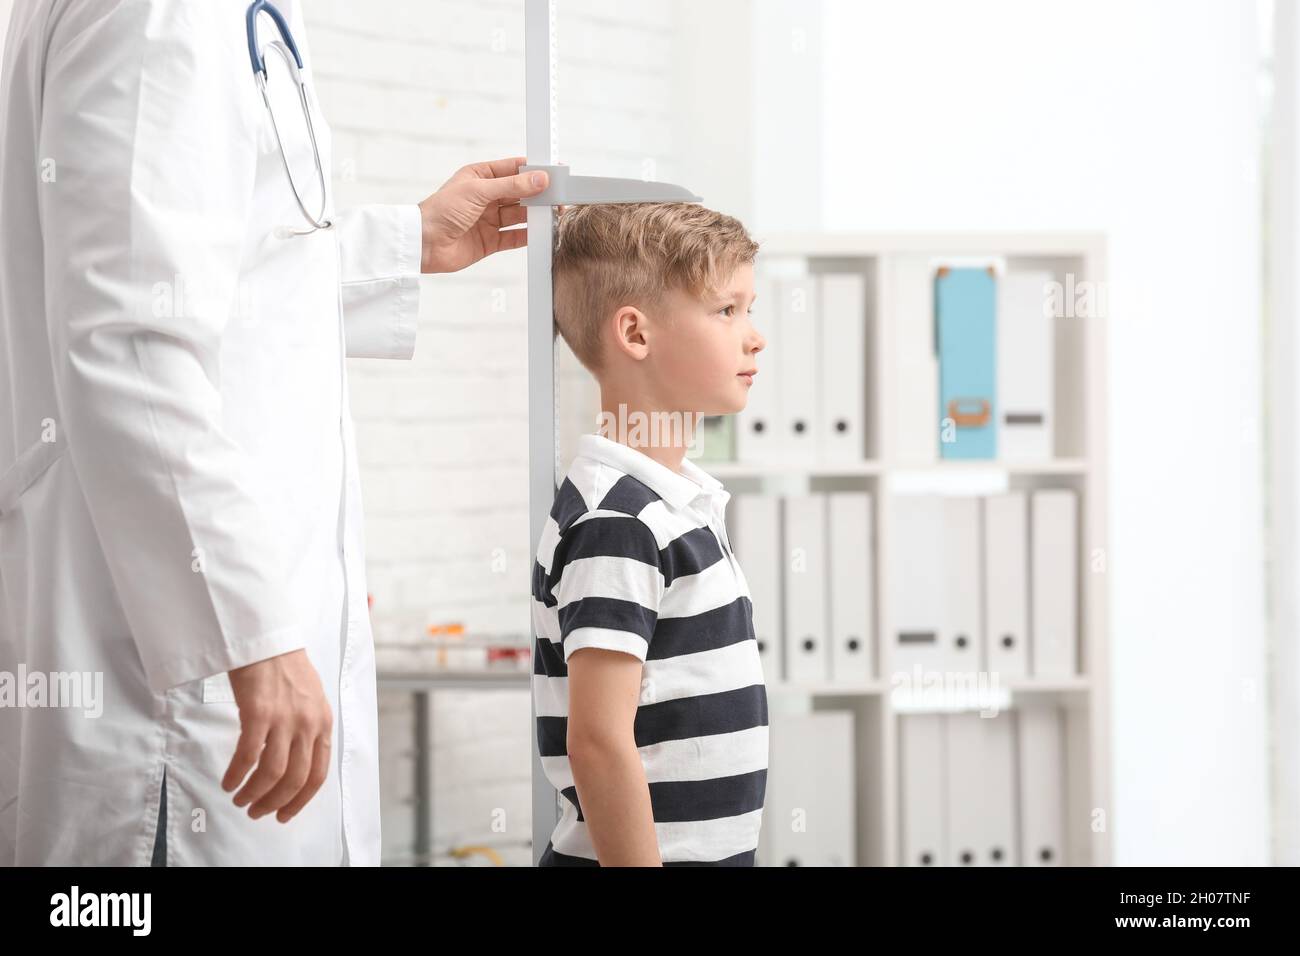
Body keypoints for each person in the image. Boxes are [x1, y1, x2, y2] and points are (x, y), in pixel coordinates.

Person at [0, 0, 548, 865]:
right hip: (176, 707)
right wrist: (249, 633)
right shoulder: (163, 12)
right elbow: (129, 339)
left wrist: (408, 241)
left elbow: (225, 271)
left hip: (204, 669)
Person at [531, 202, 770, 865]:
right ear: (635, 333)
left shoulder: (677, 505)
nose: (755, 337)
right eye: (727, 311)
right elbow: (599, 740)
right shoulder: (618, 520)